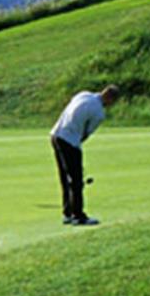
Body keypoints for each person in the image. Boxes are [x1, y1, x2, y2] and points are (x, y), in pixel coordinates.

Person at [50, 84, 119, 226]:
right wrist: (75, 144)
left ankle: (68, 213)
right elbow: (85, 134)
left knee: (65, 177)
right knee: (76, 180)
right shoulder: (99, 113)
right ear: (110, 98)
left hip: (55, 135)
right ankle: (78, 215)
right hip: (69, 140)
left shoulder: (84, 94)